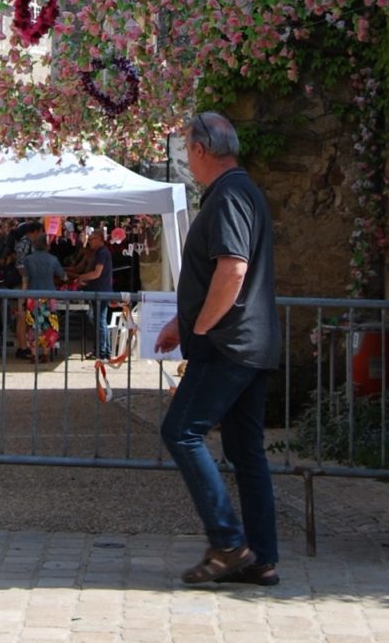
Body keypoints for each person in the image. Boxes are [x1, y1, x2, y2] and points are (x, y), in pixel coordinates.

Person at [154, 111, 281, 588]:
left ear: (201, 150)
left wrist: (200, 331)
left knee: (181, 431)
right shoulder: (241, 191)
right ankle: (261, 558)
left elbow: (232, 270)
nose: (188, 160)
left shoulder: (228, 196)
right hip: (251, 342)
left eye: (188, 151)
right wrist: (179, 322)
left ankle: (229, 543)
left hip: (228, 344)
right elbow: (218, 274)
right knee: (246, 451)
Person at [16, 231, 67, 361]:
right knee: (49, 325)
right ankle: (45, 353)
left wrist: (23, 296)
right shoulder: (53, 259)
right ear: (47, 245)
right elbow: (63, 276)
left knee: (33, 325)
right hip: (49, 295)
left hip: (33, 295)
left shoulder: (28, 259)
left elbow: (25, 279)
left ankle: (33, 354)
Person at [71, 227, 114, 359]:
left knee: (99, 320)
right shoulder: (100, 253)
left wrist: (81, 278)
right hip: (101, 290)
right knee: (99, 320)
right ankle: (104, 350)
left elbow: (97, 273)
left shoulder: (102, 253)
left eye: (92, 239)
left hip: (101, 291)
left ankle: (101, 351)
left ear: (100, 239)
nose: (90, 242)